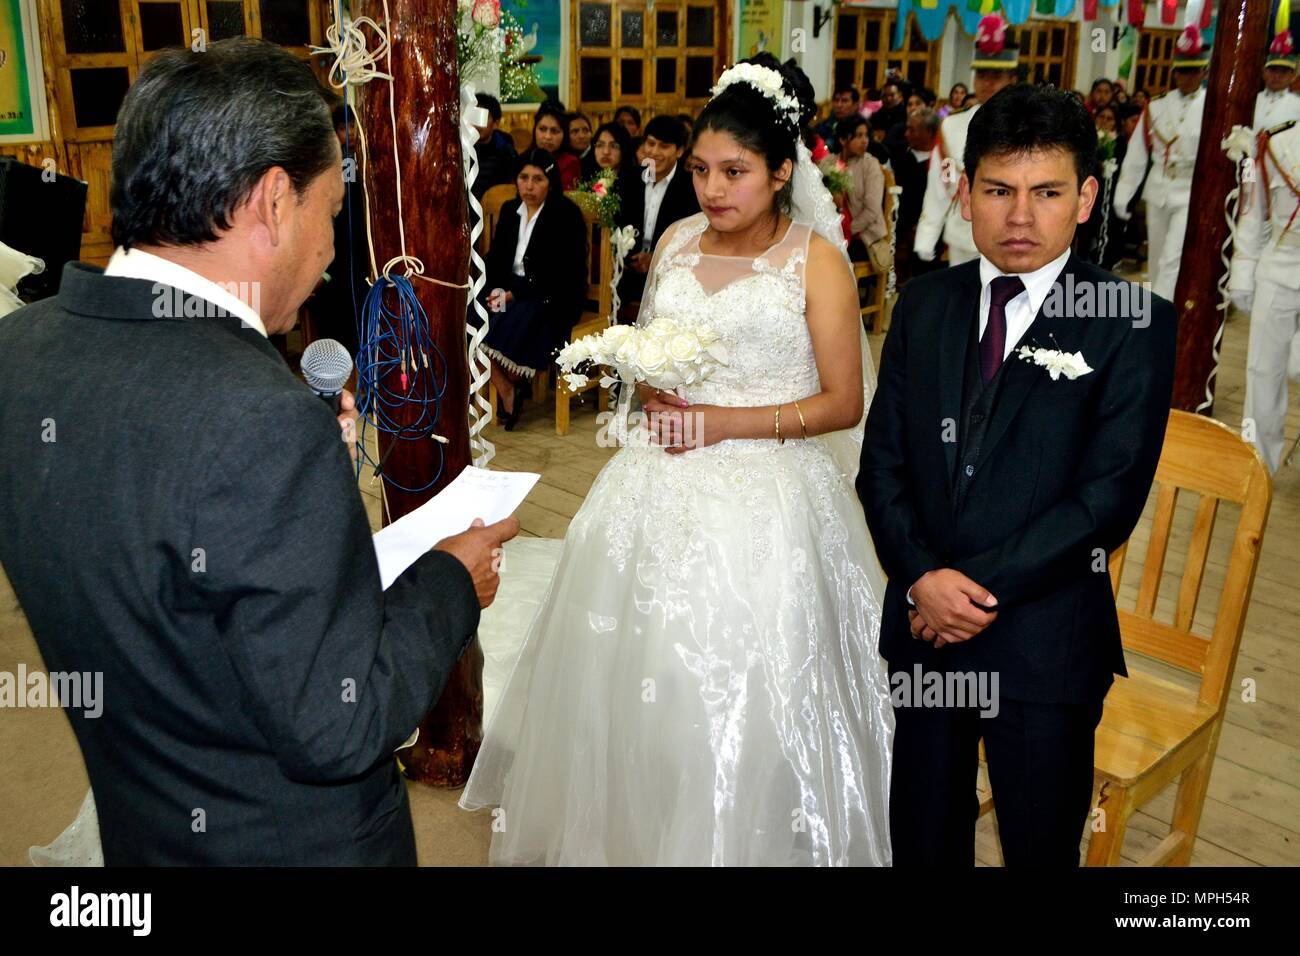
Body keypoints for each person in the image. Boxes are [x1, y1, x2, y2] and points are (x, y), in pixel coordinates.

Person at [0, 37, 518, 866]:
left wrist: (308, 486)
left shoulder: (19, 353)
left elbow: (166, 569)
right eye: (332, 212)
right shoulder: (256, 420)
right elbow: (339, 720)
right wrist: (454, 577)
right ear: (274, 203)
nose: (328, 252)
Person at [461, 52, 893, 866]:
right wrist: (648, 384)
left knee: (739, 672)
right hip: (659, 472)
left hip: (770, 483)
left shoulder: (816, 262)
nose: (712, 189)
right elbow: (658, 353)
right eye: (699, 170)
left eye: (735, 171)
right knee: (627, 659)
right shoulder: (679, 244)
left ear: (780, 172)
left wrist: (724, 422)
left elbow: (843, 402)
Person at [859, 83, 1177, 866]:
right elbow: (882, 468)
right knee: (924, 841)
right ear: (965, 194)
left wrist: (966, 593)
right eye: (999, 191)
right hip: (927, 635)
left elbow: (1104, 503)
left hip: (1043, 644)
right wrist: (922, 577)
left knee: (1039, 847)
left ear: (1086, 196)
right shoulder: (925, 306)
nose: (1021, 217)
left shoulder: (1131, 323)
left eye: (1047, 193)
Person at [475, 149, 588, 429]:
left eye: (537, 179)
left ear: (550, 182)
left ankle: (513, 381)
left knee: (519, 316)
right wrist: (492, 288)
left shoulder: (565, 214)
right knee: (470, 316)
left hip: (553, 294)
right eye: (523, 177)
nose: (529, 185)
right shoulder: (510, 212)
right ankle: (507, 386)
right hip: (512, 289)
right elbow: (498, 258)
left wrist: (514, 293)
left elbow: (561, 271)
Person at [915, 14, 1019, 266]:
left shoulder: (1032, 127)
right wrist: (927, 236)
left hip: (1015, 239)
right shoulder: (953, 126)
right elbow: (943, 184)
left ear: (1012, 79)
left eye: (997, 76)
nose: (988, 82)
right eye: (982, 75)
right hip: (965, 238)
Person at [1113, 25, 1208, 301]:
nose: (1186, 77)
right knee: (1156, 256)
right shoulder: (1156, 106)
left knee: (1173, 257)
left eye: (1193, 71)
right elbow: (1137, 154)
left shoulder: (1211, 106)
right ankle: (1159, 303)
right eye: (1182, 70)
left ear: (1203, 72)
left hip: (1190, 191)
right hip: (1159, 188)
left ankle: (1161, 313)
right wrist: (1124, 193)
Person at [1229, 118, 1300, 473]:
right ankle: (1256, 464)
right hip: (1278, 263)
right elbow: (1252, 211)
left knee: (1296, 364)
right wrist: (1243, 272)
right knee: (1262, 371)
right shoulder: (1274, 144)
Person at [615, 113, 699, 318]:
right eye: (650, 144)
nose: (654, 152)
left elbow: (692, 238)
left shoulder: (690, 187)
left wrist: (656, 258)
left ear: (679, 151)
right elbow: (617, 224)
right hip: (627, 272)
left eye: (664, 146)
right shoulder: (628, 179)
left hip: (671, 275)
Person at [891, 107, 941, 284]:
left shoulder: (943, 162)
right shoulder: (900, 157)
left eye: (912, 129)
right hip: (898, 223)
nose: (906, 134)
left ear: (928, 132)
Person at [837, 115, 886, 262]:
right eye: (858, 136)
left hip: (863, 236)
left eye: (866, 135)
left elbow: (872, 210)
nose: (865, 140)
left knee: (833, 254)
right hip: (836, 231)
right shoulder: (831, 163)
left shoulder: (870, 165)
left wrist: (845, 231)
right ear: (843, 139)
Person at [1252, 30, 1300, 133]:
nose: (1277, 76)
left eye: (1284, 72)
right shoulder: (1251, 101)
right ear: (1264, 72)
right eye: (1273, 70)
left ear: (1293, 76)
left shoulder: (1297, 105)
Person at [471, 92, 518, 198]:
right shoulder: (461, 148)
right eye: (473, 117)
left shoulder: (506, 152)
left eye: (482, 118)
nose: (476, 124)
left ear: (496, 123)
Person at [531, 100, 581, 190]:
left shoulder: (570, 163)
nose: (547, 137)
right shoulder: (525, 159)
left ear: (564, 134)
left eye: (554, 131)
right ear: (535, 130)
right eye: (542, 129)